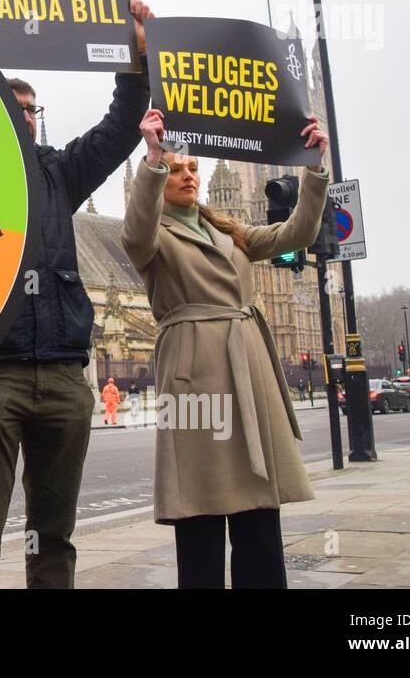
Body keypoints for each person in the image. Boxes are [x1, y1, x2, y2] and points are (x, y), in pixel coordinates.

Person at [0, 0, 154, 588]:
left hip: (62, 376)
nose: (24, 116)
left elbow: (120, 128)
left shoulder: (62, 174)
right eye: (12, 106)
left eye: (32, 108)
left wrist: (136, 58)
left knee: (53, 535)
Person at [121, 106, 331, 589]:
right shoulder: (154, 236)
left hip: (248, 368)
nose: (188, 176)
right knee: (200, 509)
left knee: (259, 512)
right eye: (176, 171)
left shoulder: (228, 230)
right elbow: (134, 232)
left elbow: (295, 233)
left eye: (192, 168)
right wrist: (153, 158)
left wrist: (315, 170)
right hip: (195, 375)